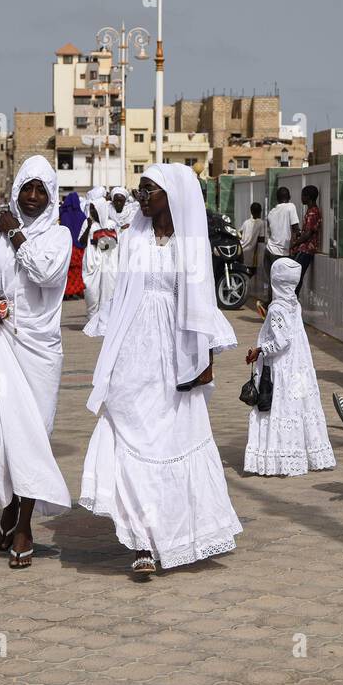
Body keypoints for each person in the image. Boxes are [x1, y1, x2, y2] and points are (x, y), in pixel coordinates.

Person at [80, 163, 243, 575]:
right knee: (127, 427)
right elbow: (120, 297)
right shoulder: (133, 239)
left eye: (149, 189)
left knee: (171, 438)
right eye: (140, 189)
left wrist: (203, 359)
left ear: (171, 194)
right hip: (135, 349)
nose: (141, 196)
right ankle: (141, 542)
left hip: (176, 354)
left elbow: (202, 306)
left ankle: (170, 533)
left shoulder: (191, 245)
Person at [0, 155, 72, 570]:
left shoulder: (58, 236)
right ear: (16, 190)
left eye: (41, 190)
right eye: (27, 188)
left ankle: (22, 522)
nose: (34, 197)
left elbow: (45, 275)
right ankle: (7, 503)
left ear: (51, 195)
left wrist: (16, 234)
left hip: (38, 351)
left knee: (31, 438)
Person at [243, 257, 336, 477]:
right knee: (298, 407)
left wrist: (260, 350)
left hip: (281, 369)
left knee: (279, 407)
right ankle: (301, 454)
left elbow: (281, 342)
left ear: (275, 280)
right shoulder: (294, 304)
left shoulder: (277, 308)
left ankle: (278, 457)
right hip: (298, 365)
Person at [260, 187, 300, 317]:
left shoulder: (271, 212)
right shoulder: (290, 207)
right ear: (289, 197)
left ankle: (268, 307)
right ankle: (271, 309)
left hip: (269, 250)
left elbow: (271, 232)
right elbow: (295, 228)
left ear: (277, 199)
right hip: (281, 253)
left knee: (274, 283)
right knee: (282, 285)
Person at [82, 196, 119, 318]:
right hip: (91, 262)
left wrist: (100, 240)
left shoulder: (111, 224)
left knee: (108, 291)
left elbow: (113, 245)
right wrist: (88, 227)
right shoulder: (88, 223)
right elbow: (81, 242)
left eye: (95, 209)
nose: (92, 212)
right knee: (91, 291)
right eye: (91, 209)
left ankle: (105, 319)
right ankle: (92, 318)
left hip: (109, 262)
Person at [291, 184, 323, 298]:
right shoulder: (311, 211)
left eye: (303, 196)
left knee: (296, 276)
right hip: (304, 249)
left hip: (306, 250)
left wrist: (295, 243)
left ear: (308, 197)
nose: (301, 198)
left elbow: (308, 233)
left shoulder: (312, 212)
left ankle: (293, 299)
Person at [59, 191, 87, 300]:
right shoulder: (81, 215)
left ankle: (66, 292)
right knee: (77, 272)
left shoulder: (64, 215)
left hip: (67, 247)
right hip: (79, 248)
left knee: (67, 272)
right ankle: (75, 291)